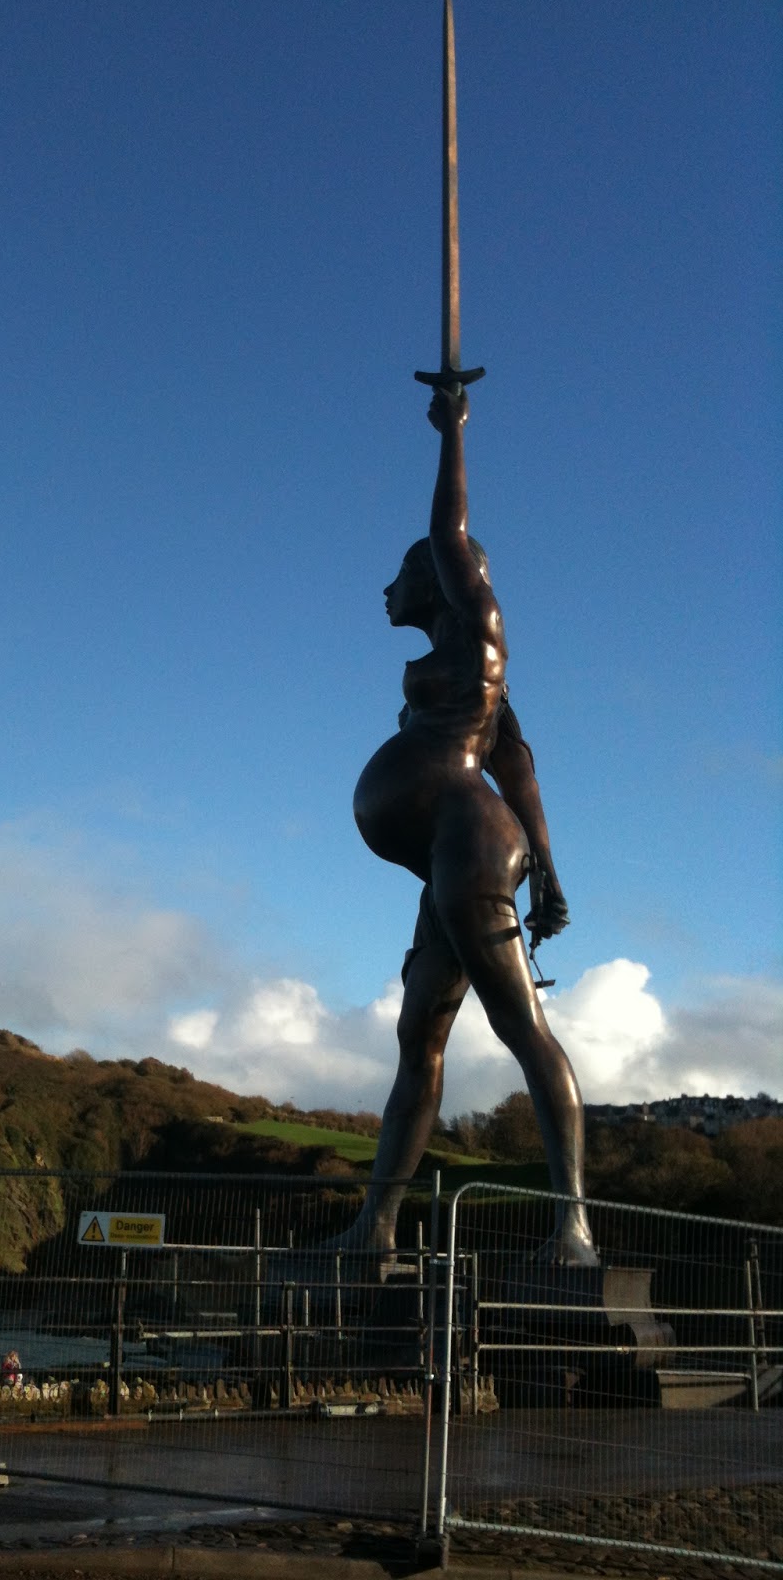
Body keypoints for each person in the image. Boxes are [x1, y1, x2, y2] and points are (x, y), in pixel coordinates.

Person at [349, 386, 597, 1267]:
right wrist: (555, 875)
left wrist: (451, 436)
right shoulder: (467, 680)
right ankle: (375, 1226)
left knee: (521, 1025)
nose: (388, 587)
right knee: (419, 1040)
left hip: (468, 842)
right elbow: (519, 763)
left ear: (446, 582)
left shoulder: (476, 631)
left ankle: (571, 1226)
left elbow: (452, 535)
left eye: (402, 572)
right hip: (448, 856)